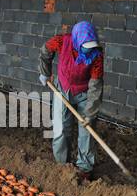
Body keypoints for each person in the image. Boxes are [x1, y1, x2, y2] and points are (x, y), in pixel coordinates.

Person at [39, 21, 104, 182]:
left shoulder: (96, 55)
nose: (88, 51)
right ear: (77, 41)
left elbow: (96, 85)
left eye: (91, 48)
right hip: (63, 90)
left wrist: (90, 113)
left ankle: (85, 168)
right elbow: (45, 50)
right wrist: (45, 72)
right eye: (85, 47)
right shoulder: (62, 42)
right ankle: (63, 164)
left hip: (85, 93)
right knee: (61, 128)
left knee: (87, 130)